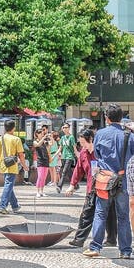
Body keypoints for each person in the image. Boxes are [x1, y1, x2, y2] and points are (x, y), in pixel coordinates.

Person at [83, 103, 134, 258]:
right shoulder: (129, 135)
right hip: (122, 180)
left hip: (105, 179)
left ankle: (95, 247)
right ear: (122, 117)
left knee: (100, 212)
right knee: (123, 215)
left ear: (107, 118)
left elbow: (97, 155)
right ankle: (125, 250)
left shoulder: (100, 134)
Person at [65, 128, 117, 248]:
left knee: (110, 213)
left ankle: (111, 239)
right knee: (87, 213)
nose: (82, 146)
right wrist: (72, 185)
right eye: (81, 143)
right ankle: (79, 239)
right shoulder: (83, 153)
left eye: (84, 143)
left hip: (105, 186)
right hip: (91, 187)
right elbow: (78, 169)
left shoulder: (102, 151)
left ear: (91, 140)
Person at [0, 120, 26, 215]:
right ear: (14, 128)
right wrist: (25, 166)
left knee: (8, 185)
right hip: (12, 165)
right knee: (8, 185)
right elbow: (21, 155)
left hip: (3, 165)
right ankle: (2, 206)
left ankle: (15, 206)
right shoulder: (16, 139)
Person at [57, 122, 77, 194]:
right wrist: (54, 156)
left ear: (69, 128)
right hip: (63, 157)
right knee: (69, 172)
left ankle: (59, 186)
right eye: (63, 127)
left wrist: (78, 156)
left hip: (69, 156)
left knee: (64, 172)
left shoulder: (71, 137)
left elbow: (74, 148)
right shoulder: (62, 138)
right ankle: (76, 185)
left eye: (66, 127)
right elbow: (60, 148)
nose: (65, 129)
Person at [32, 128, 50, 197]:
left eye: (43, 133)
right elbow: (38, 145)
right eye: (41, 133)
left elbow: (49, 147)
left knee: (44, 177)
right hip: (40, 161)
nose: (42, 135)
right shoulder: (35, 141)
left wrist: (50, 139)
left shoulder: (44, 141)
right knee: (40, 177)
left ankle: (42, 191)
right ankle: (37, 191)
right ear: (37, 134)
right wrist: (44, 138)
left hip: (46, 160)